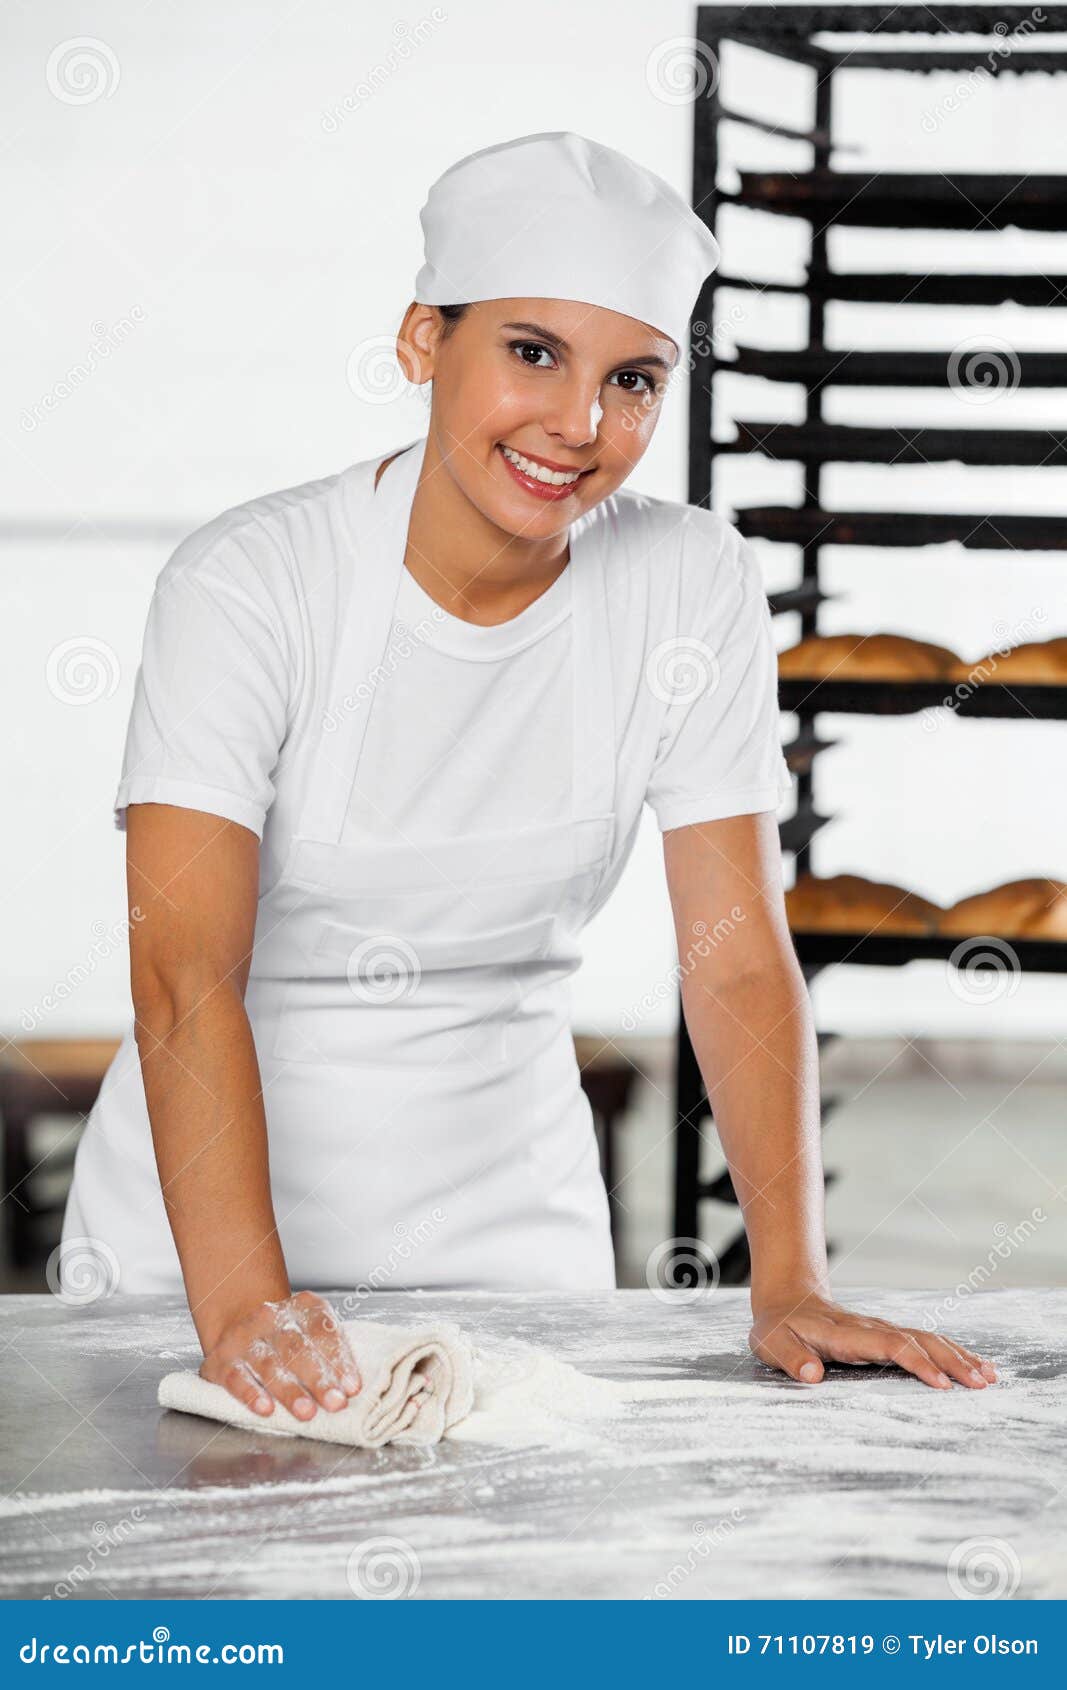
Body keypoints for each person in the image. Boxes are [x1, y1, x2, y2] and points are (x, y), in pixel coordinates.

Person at [61, 130, 996, 1423]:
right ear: (421, 342)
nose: (580, 425)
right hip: (192, 1257)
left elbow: (730, 955)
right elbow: (181, 982)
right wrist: (246, 1310)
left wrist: (788, 1278)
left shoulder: (692, 583)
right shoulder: (251, 586)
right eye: (531, 353)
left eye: (635, 380)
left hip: (513, 1252)